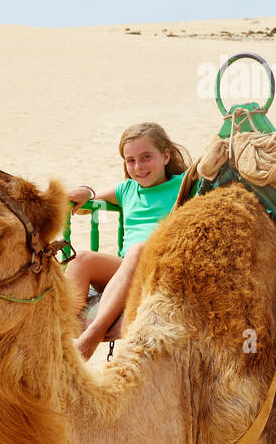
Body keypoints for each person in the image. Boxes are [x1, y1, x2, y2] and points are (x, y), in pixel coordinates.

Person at [64, 122, 190, 359]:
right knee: (82, 259)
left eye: (146, 157)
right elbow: (86, 204)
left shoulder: (185, 184)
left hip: (162, 274)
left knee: (139, 249)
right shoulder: (127, 189)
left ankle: (93, 334)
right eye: (130, 160)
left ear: (165, 156)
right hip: (126, 273)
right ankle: (58, 339)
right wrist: (85, 190)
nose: (138, 167)